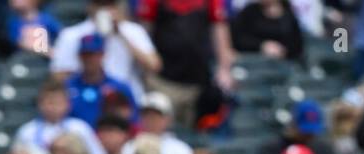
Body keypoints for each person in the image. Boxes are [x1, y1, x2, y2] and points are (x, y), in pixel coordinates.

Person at [133, 0, 234, 130]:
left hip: (198, 82)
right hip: (163, 81)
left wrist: (224, 69)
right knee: (162, 131)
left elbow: (220, 32)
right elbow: (143, 33)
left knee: (198, 134)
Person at [50, 0, 162, 98]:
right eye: (100, 4)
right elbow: (58, 76)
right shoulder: (72, 34)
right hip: (86, 96)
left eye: (109, 4)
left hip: (124, 100)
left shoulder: (132, 31)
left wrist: (121, 34)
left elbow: (154, 65)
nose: (105, 9)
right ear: (90, 6)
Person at [15, 76, 105, 154]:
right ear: (39, 104)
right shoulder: (27, 131)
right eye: (49, 102)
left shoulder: (80, 128)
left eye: (58, 102)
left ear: (68, 104)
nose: (53, 107)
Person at [66, 32, 139, 129]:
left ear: (102, 55)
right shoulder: (67, 86)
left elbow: (134, 120)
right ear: (79, 56)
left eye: (93, 55)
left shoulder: (120, 87)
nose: (89, 59)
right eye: (85, 55)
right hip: (76, 140)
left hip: (110, 139)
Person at [230, 0, 303, 62]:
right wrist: (262, 45)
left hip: (284, 63)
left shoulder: (288, 14)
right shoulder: (249, 12)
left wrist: (282, 50)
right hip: (254, 61)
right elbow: (238, 38)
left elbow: (297, 44)